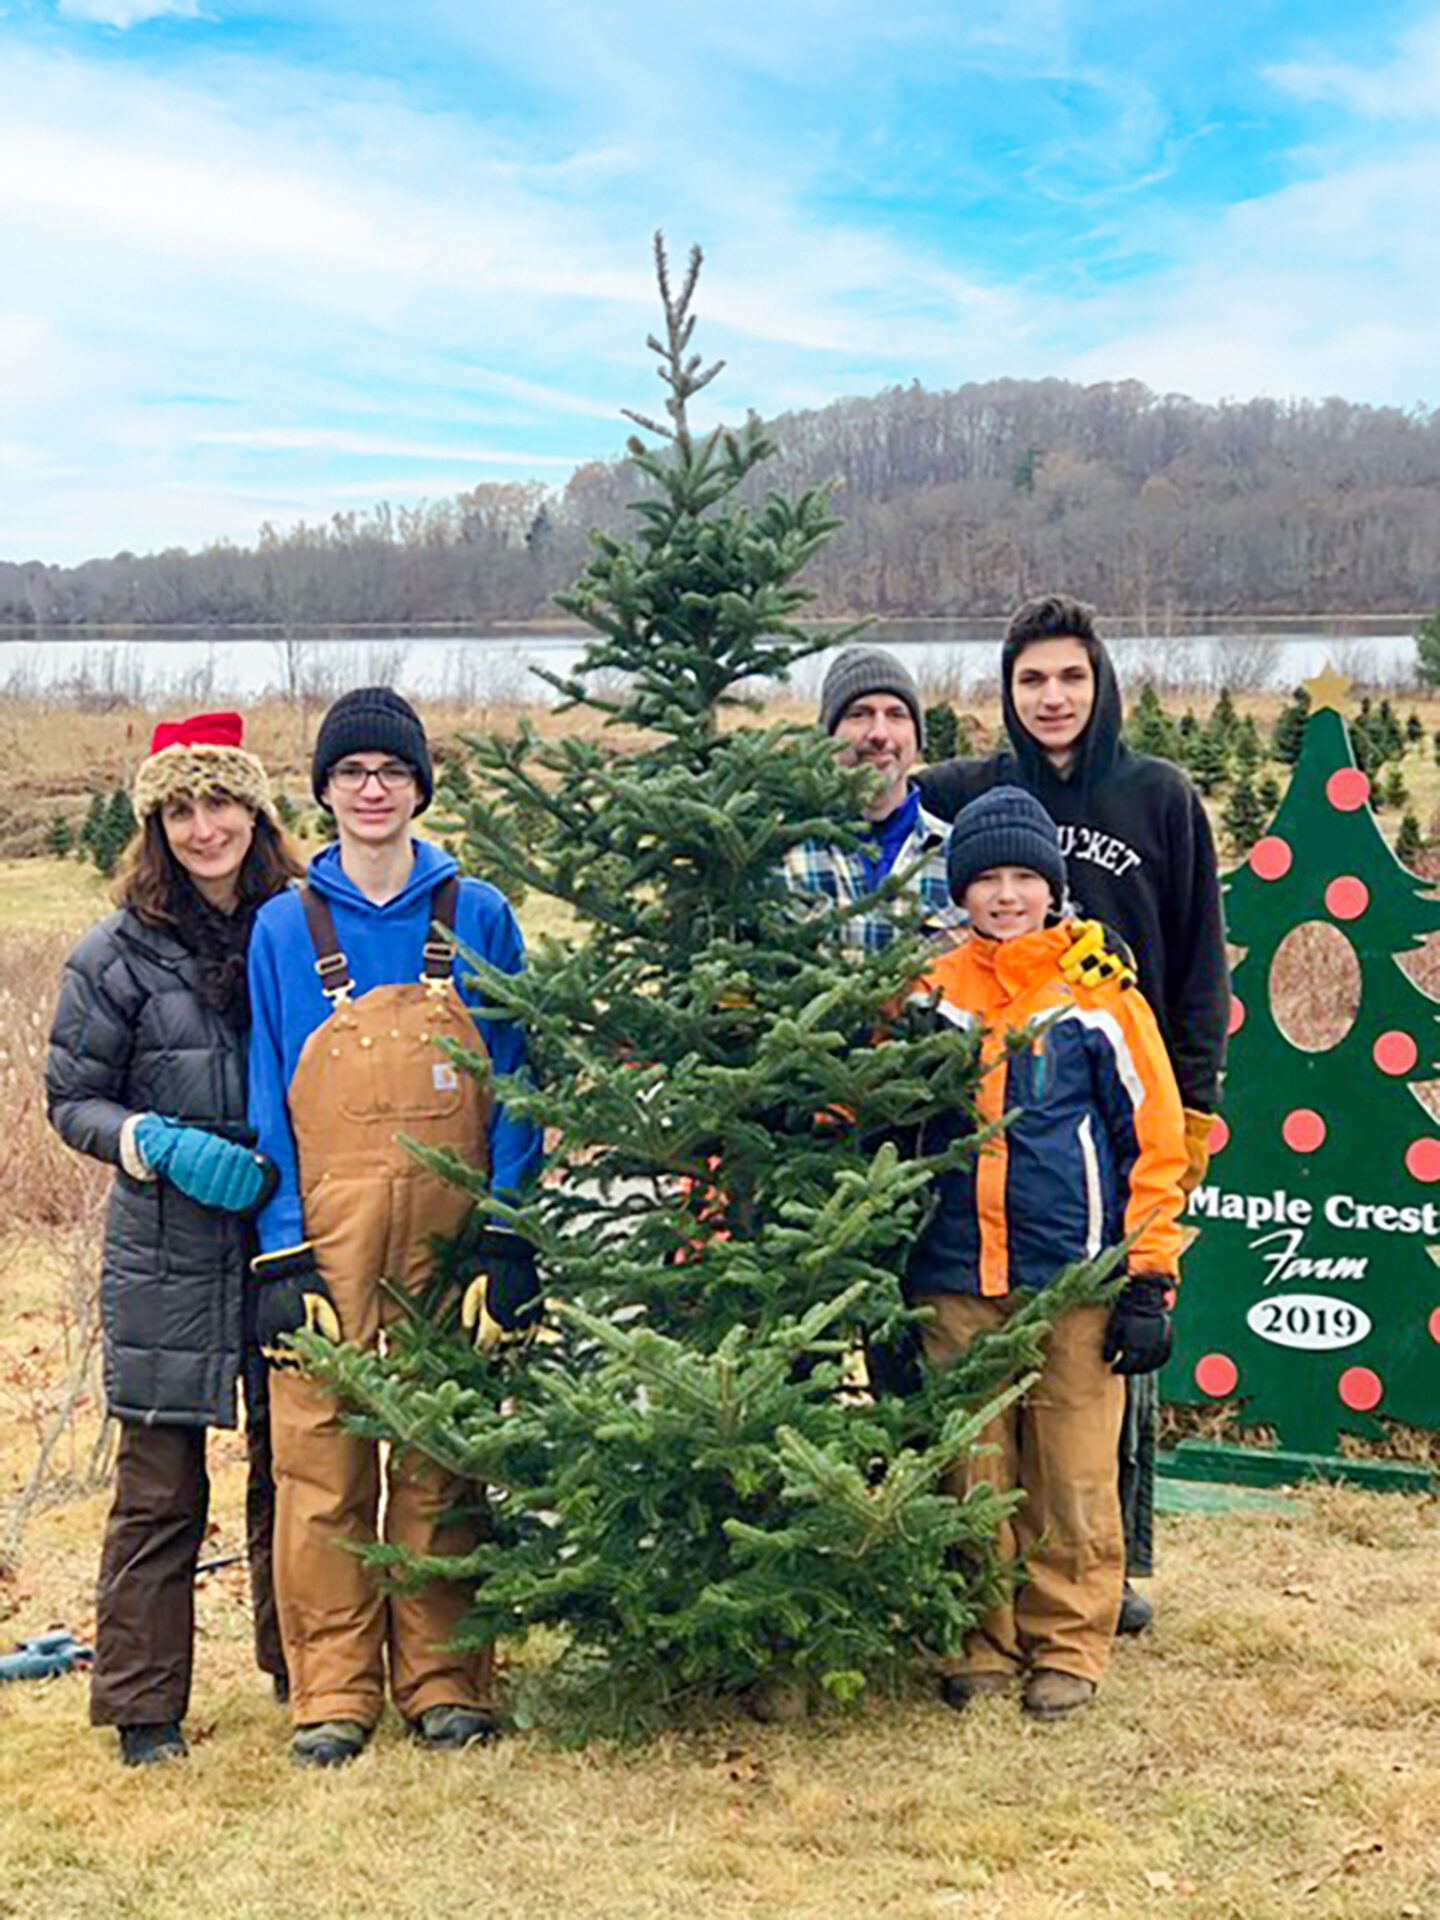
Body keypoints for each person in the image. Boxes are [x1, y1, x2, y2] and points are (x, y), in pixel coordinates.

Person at [916, 595, 1228, 1631]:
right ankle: (1003, 1590)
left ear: (1101, 685)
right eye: (1032, 681)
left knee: (1109, 1360)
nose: (1052, 698)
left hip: (1132, 1102)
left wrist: (1195, 1115)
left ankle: (1112, 1570)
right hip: (1002, 1137)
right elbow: (874, 791)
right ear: (1007, 695)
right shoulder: (975, 792)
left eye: (1070, 678)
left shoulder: (1160, 797)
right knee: (1017, 1385)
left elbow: (1197, 969)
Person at [246, 686, 543, 1767]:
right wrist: (280, 1248)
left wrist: (508, 1238)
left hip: (453, 1233)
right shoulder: (284, 927)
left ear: (421, 788)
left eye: (393, 772)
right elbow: (266, 1088)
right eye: (351, 773)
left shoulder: (481, 916)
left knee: (440, 1456)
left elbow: (518, 1087)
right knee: (321, 1463)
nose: (373, 790)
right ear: (323, 791)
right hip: (321, 1230)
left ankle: (446, 1677)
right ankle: (330, 1689)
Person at [46, 712, 303, 1766]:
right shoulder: (114, 953)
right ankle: (143, 1708)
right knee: (162, 1485)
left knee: (297, 1465)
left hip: (286, 1231)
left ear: (255, 809)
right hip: (165, 1246)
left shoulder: (296, 928)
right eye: (184, 808)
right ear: (157, 822)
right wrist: (152, 1140)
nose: (207, 828)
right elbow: (72, 1098)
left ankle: (308, 1671)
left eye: (223, 802)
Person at [909, 786, 1186, 1718]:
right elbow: (883, 1124)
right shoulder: (928, 996)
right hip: (953, 1274)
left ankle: (1067, 1640)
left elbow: (1155, 1142)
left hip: (1075, 1279)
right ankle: (978, 1638)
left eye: (1025, 876)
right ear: (961, 891)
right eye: (986, 878)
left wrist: (1149, 1275)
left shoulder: (1098, 997)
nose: (1005, 895)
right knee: (973, 1465)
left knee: (1071, 1468)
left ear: (1053, 889)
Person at [783, 646, 962, 953]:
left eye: (896, 715)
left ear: (917, 739)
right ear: (828, 736)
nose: (879, 733)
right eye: (859, 714)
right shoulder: (779, 850)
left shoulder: (958, 856)